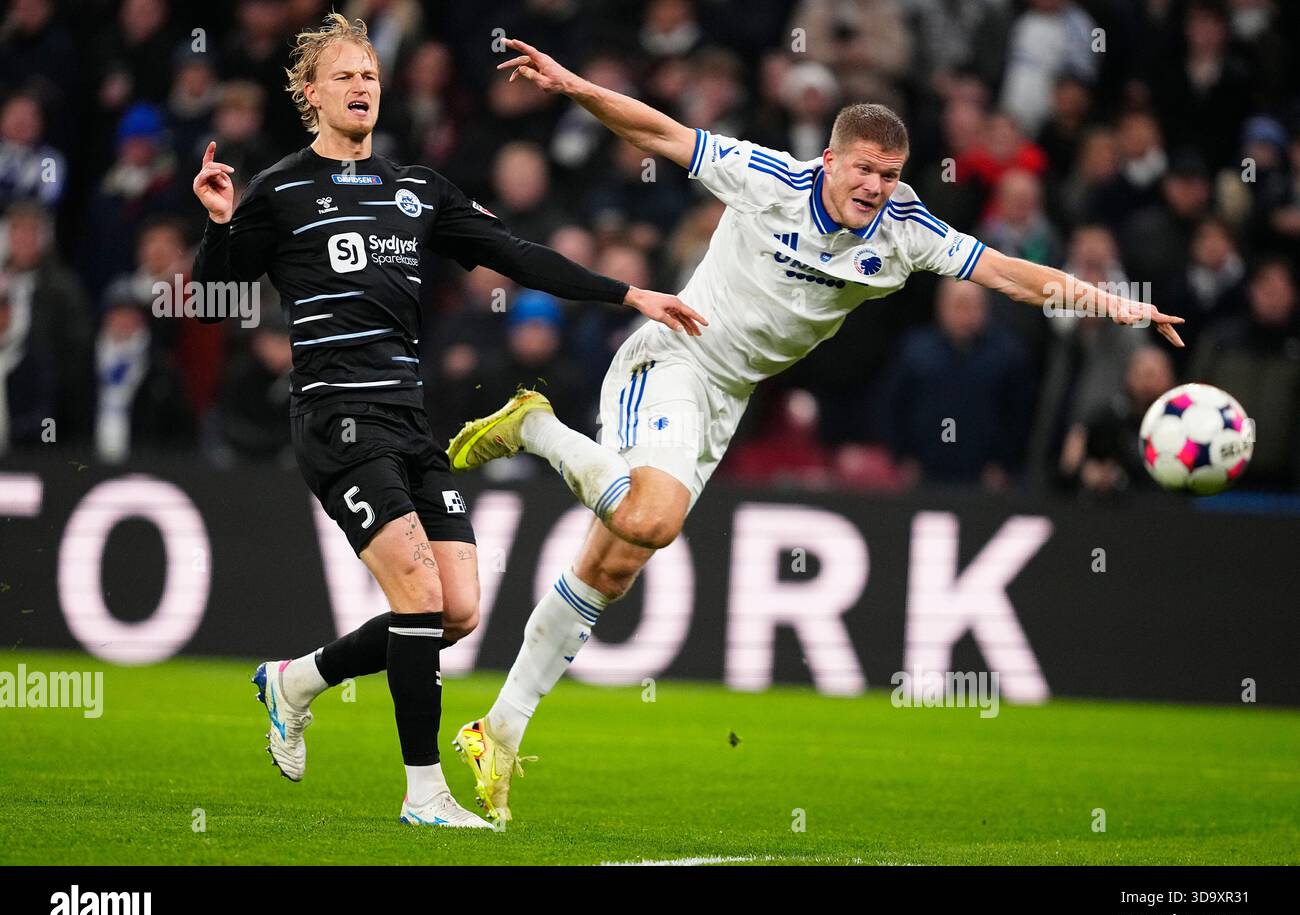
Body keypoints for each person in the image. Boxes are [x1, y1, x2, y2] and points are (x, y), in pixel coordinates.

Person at [443, 38, 1187, 825]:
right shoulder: (769, 179)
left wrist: (1116, 304)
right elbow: (661, 132)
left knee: (617, 562)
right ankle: (538, 426)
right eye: (862, 167)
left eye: (890, 174)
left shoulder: (905, 230)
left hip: (728, 397)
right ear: (829, 158)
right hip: (674, 358)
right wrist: (570, 82)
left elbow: (1009, 273)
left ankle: (499, 728)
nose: (874, 185)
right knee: (650, 518)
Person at [189, 15, 705, 829]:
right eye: (344, 76)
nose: (362, 86)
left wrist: (627, 293)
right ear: (310, 93)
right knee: (420, 593)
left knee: (455, 611)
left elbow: (516, 253)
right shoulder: (280, 191)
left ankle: (295, 682)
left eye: (369, 73)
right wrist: (220, 224)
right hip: (335, 417)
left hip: (409, 419)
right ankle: (423, 794)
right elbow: (213, 295)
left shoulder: (416, 189)